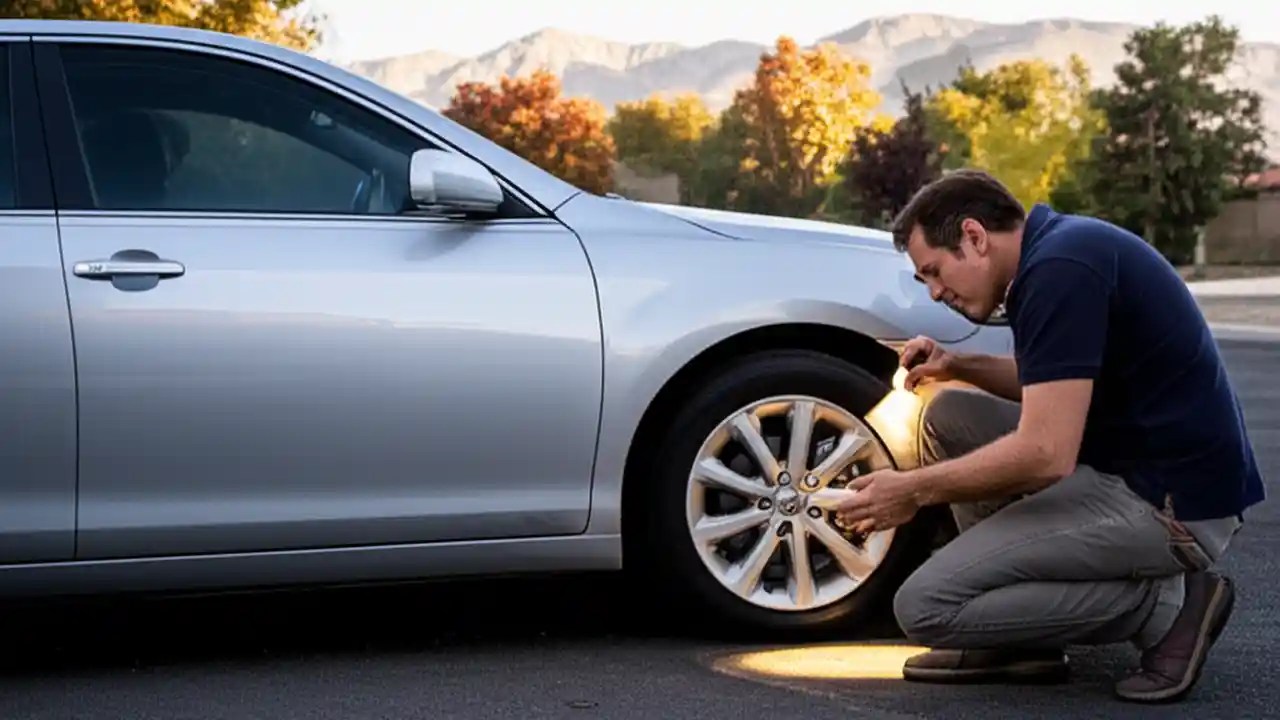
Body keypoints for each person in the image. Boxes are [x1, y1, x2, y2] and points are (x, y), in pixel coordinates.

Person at [834, 169, 1265, 703]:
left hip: (1172, 506)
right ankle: (1019, 639)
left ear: (974, 236)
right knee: (948, 415)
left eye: (934, 272)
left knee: (925, 607)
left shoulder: (1060, 269)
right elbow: (1059, 379)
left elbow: (1045, 455)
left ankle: (1166, 607)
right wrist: (958, 364)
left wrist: (912, 489)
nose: (936, 291)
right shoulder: (1058, 252)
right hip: (1130, 469)